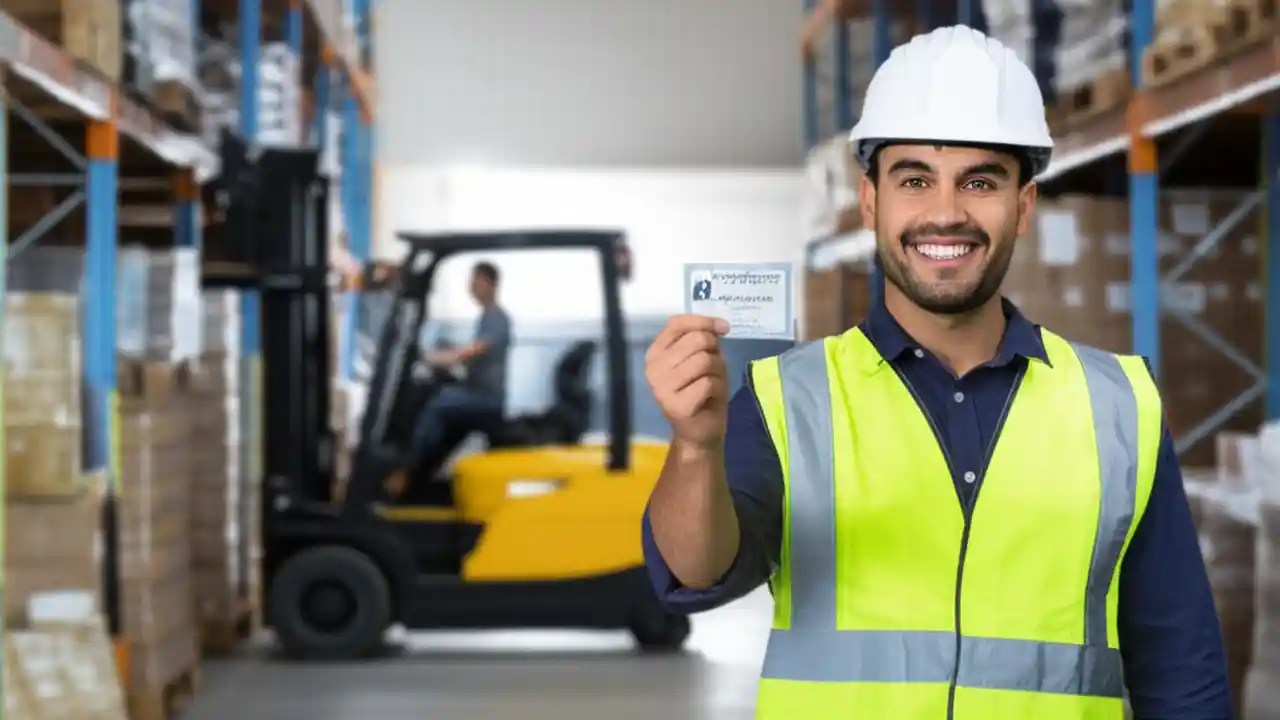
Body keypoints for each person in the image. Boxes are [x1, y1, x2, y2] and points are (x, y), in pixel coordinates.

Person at [641, 26, 1231, 720]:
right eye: (914, 180)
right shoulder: (787, 399)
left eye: (979, 181)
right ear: (870, 203)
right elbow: (697, 572)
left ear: (1023, 206)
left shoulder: (1119, 406)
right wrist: (693, 447)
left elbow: (1179, 663)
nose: (945, 212)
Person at [390, 261, 512, 495]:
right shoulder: (487, 317)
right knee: (435, 391)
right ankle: (424, 476)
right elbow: (470, 353)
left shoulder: (497, 318)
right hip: (477, 389)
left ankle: (406, 472)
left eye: (474, 281)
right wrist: (445, 352)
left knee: (437, 406)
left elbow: (473, 351)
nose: (470, 287)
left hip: (486, 398)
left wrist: (436, 357)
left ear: (488, 283)